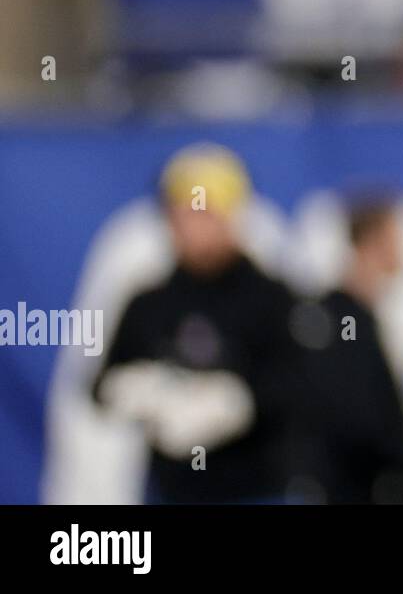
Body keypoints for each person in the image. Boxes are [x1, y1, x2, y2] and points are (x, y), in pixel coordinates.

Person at [93, 144, 298, 504]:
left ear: (232, 216)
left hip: (257, 490)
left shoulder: (273, 299)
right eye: (178, 214)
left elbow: (306, 385)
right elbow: (101, 384)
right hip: (171, 494)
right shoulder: (149, 302)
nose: (188, 225)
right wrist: (139, 391)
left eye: (201, 212)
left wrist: (239, 402)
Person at [284, 196, 403, 503]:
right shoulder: (341, 321)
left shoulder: (355, 317)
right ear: (375, 241)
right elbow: (364, 422)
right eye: (397, 237)